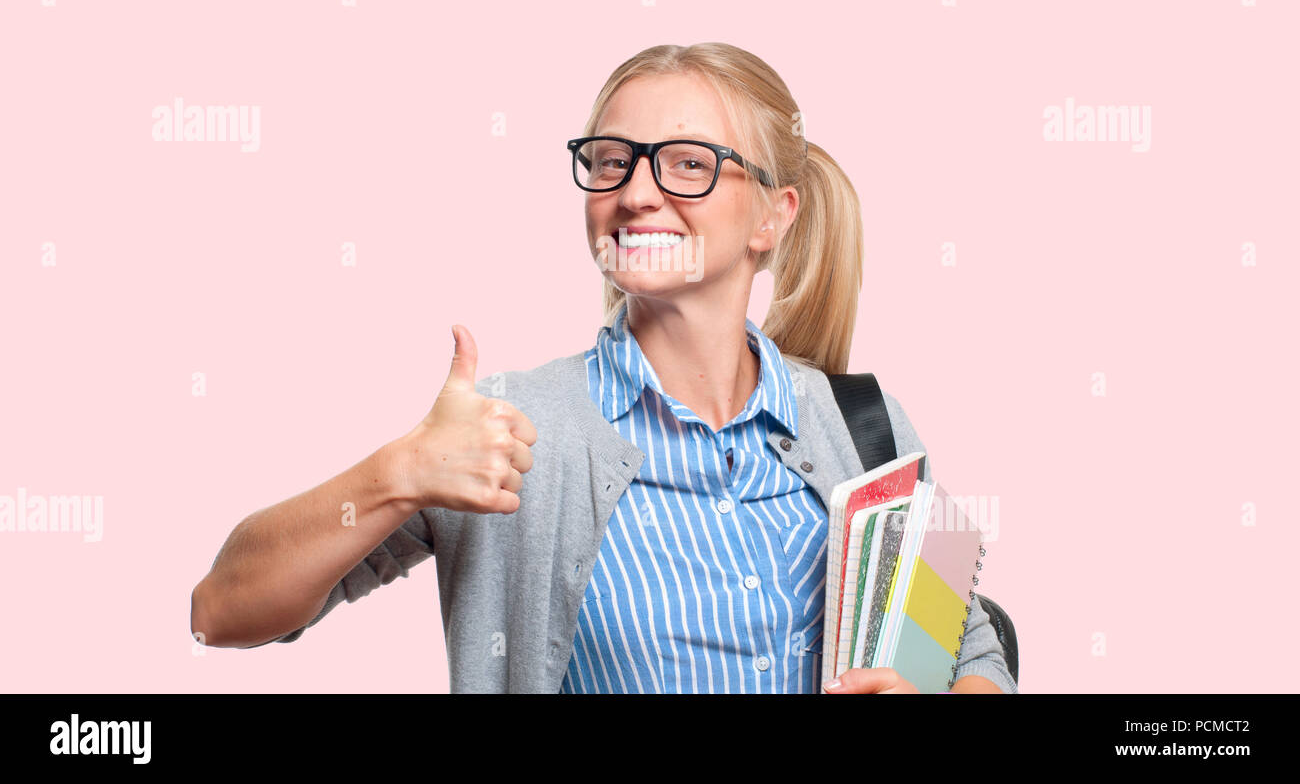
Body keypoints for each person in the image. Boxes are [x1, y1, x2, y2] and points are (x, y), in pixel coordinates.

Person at [190, 42, 1017, 694]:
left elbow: (969, 643)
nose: (636, 192)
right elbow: (221, 609)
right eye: (612, 159)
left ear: (772, 214)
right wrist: (398, 473)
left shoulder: (868, 426)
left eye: (688, 161)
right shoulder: (507, 435)